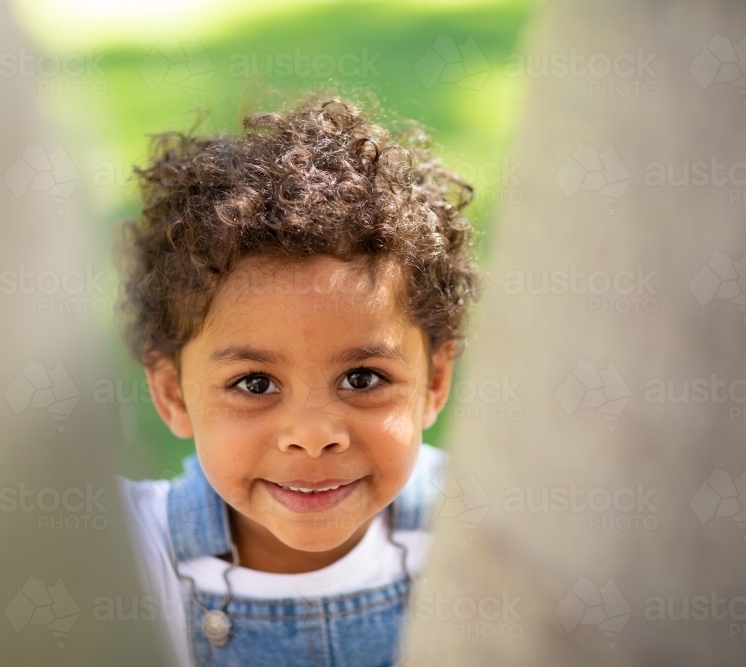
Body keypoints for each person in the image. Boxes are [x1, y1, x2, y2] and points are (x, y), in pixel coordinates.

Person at [115, 92, 480, 667]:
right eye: (255, 384)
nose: (312, 435)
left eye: (362, 378)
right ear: (171, 394)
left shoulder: (477, 534)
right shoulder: (134, 558)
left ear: (434, 381)